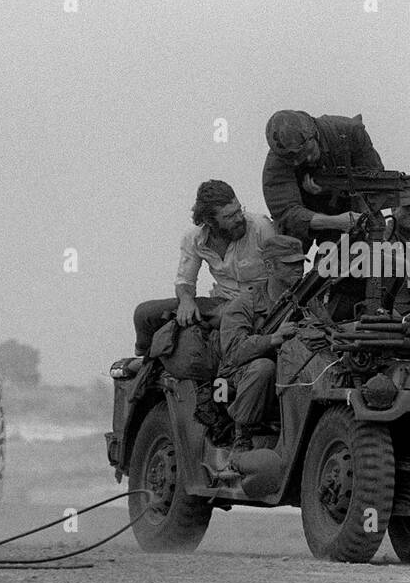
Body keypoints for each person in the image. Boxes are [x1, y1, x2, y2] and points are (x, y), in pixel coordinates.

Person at [131, 180, 274, 362]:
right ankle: (146, 363)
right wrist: (186, 300)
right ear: (209, 221)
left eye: (239, 210)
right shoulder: (195, 237)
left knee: (224, 318)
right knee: (144, 314)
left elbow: (282, 271)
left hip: (258, 304)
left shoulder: (261, 228)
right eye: (229, 217)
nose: (239, 218)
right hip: (221, 302)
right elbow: (184, 281)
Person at [218, 235, 307, 462]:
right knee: (263, 367)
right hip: (238, 378)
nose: (298, 269)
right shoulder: (244, 303)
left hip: (289, 371)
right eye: (289, 264)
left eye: (300, 263)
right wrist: (272, 339)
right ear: (270, 266)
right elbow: (233, 353)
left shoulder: (307, 301)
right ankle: (242, 437)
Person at [260, 109, 389, 250]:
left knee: (376, 253)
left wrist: (333, 190)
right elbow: (287, 215)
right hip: (305, 221)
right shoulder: (276, 165)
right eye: (295, 160)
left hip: (354, 209)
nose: (307, 159)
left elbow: (376, 183)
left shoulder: (349, 131)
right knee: (284, 250)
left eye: (308, 152)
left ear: (314, 134)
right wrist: (335, 222)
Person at [380, 190, 410, 315]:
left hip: (406, 313)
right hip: (381, 312)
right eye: (408, 207)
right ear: (393, 209)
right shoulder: (380, 238)